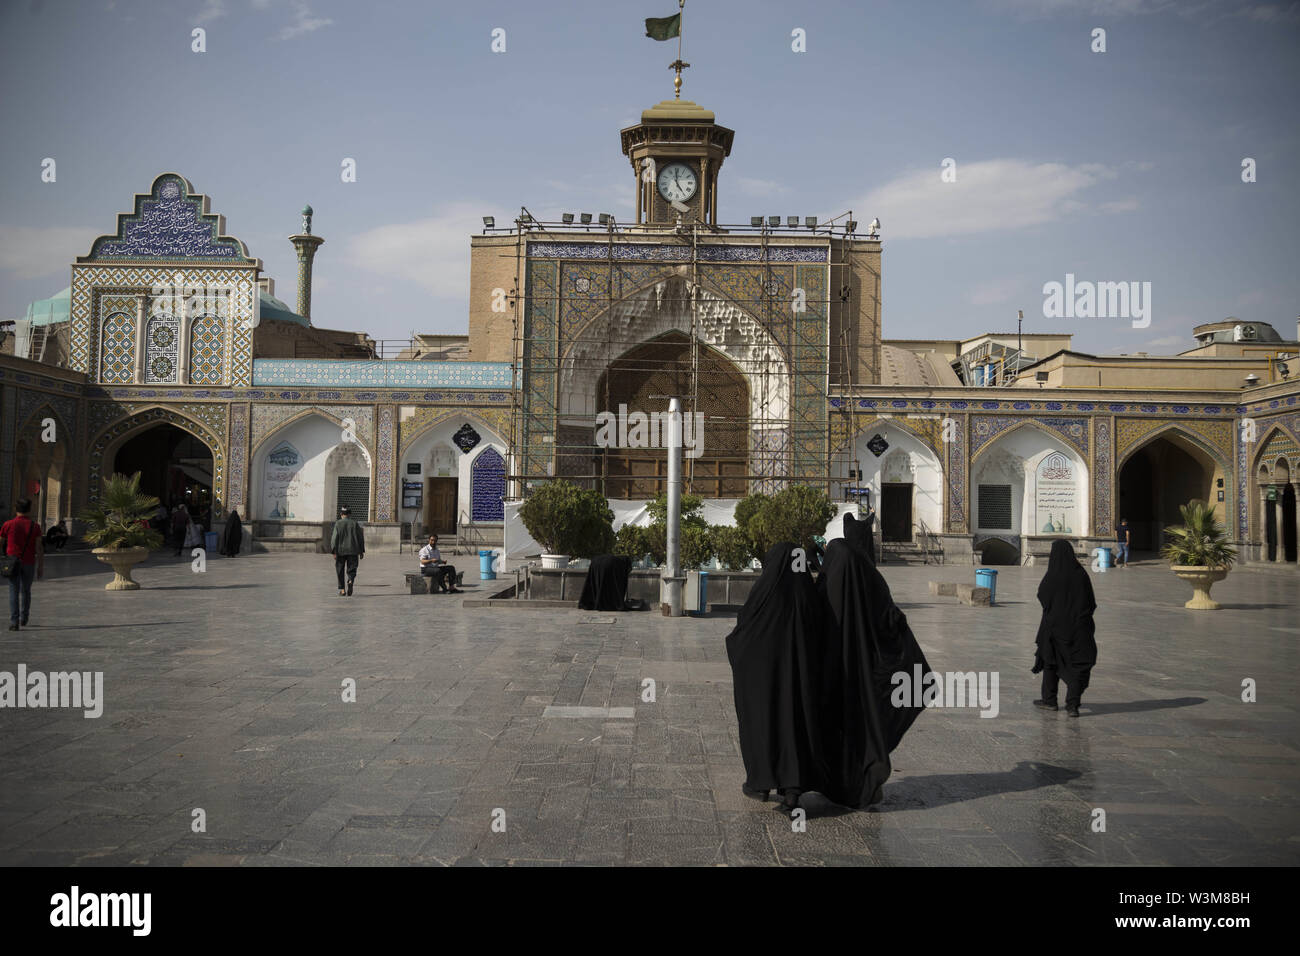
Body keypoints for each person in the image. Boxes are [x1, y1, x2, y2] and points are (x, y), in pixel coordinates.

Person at [817, 512, 933, 809]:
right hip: (868, 675)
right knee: (864, 723)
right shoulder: (872, 579)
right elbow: (891, 622)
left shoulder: (831, 573)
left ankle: (833, 782)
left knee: (836, 725)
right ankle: (867, 777)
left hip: (832, 674)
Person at [725, 541, 835, 814]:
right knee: (796, 727)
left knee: (764, 723)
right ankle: (793, 791)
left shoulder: (765, 593)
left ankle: (761, 783)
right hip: (801, 684)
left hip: (766, 683)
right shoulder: (808, 595)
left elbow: (743, 634)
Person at [1032, 539, 1098, 718]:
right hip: (1079, 628)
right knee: (1078, 664)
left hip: (1054, 627)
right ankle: (1072, 705)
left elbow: (1043, 596)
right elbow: (1091, 603)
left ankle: (1049, 700)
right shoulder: (1081, 574)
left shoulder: (1053, 575)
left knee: (1050, 661)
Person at [1, 498, 45, 631]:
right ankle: (24, 618)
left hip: (12, 562)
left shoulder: (8, 524)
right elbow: (39, 548)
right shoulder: (35, 526)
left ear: (16, 509)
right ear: (29, 509)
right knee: (26, 590)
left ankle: (14, 622)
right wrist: (40, 566)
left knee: (13, 591)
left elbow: (0, 542)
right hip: (28, 562)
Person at [330, 505, 365, 597]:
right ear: (350, 514)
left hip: (340, 551)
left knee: (340, 569)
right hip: (353, 550)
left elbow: (334, 538)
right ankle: (350, 580)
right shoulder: (354, 523)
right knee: (352, 569)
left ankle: (342, 590)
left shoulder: (338, 523)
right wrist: (361, 551)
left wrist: (334, 551)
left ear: (341, 514)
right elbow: (360, 537)